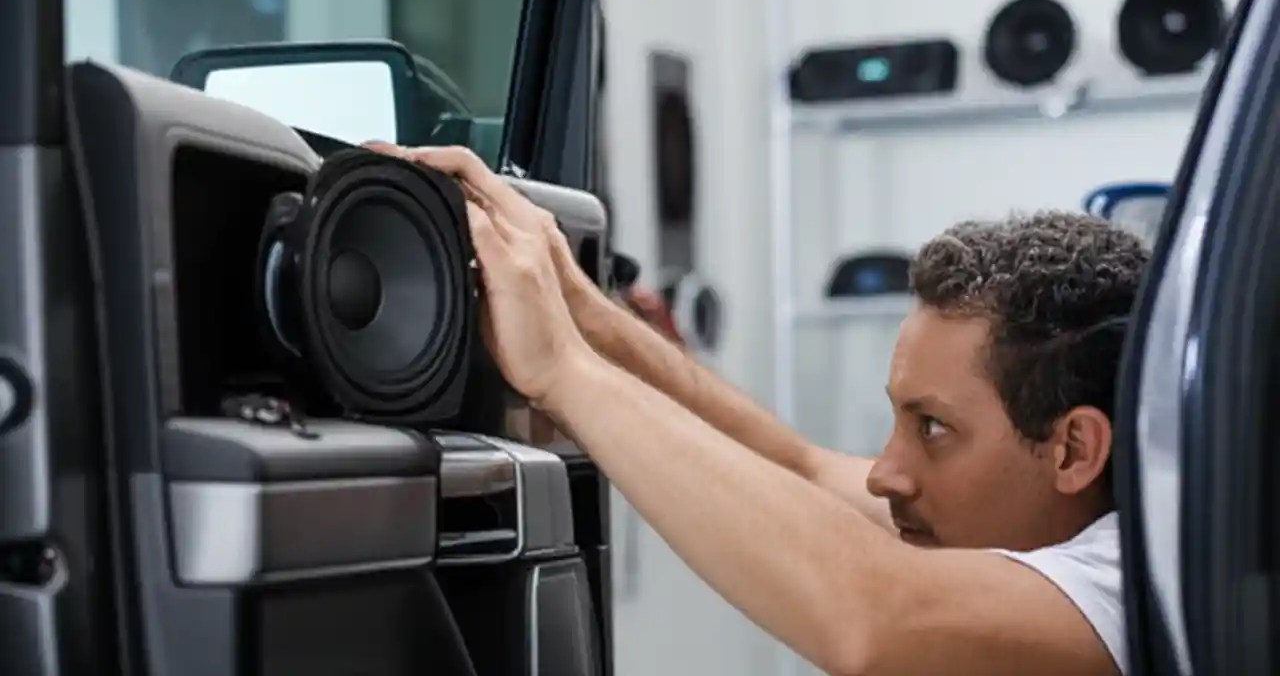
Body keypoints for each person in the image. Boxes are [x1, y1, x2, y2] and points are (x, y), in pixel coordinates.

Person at [367, 143, 1146, 676]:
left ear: (1073, 450)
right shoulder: (1003, 520)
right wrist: (586, 314)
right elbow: (794, 467)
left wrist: (563, 372)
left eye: (934, 428)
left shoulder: (1133, 582)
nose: (884, 474)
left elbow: (866, 616)